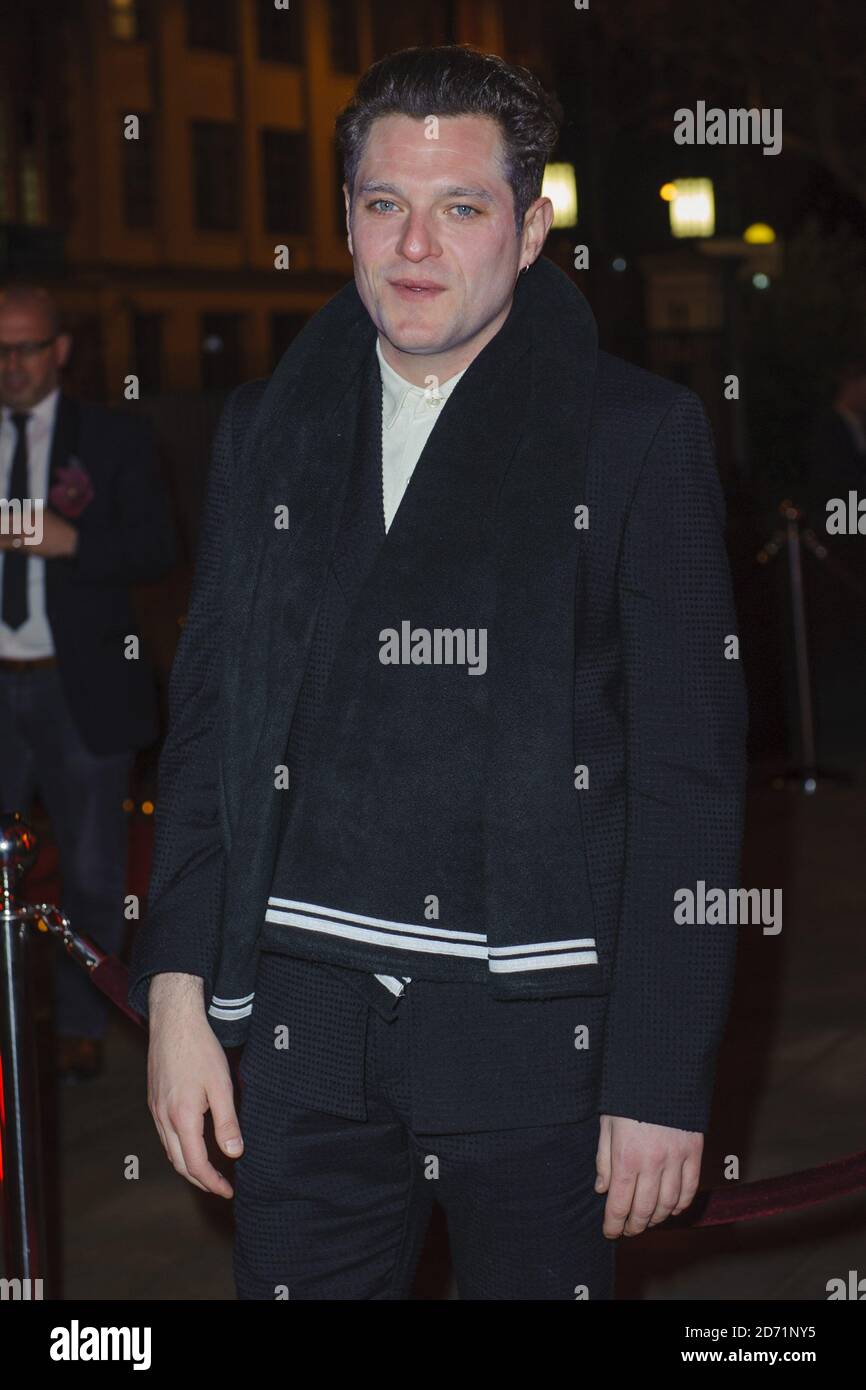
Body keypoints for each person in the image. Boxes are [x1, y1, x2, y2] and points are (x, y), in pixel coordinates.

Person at [128, 46, 748, 1300]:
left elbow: (687, 782)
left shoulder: (636, 438)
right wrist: (178, 997)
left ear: (529, 230)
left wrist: (656, 1080)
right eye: (382, 205)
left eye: (460, 207)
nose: (414, 246)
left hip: (533, 1049)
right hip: (301, 1035)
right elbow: (210, 732)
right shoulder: (264, 429)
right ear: (347, 218)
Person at [0, 284, 175, 1080]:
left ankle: (78, 1023)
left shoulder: (110, 439)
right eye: (0, 350)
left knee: (95, 871)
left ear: (61, 350)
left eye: (28, 347)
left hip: (80, 690)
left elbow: (158, 547)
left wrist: (66, 538)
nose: (13, 366)